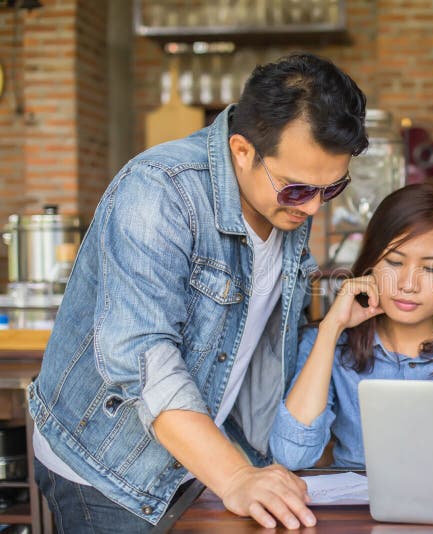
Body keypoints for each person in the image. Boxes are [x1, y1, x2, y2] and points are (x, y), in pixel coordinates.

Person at [28, 53, 368, 532]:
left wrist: (247, 461)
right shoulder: (158, 191)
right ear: (242, 150)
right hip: (110, 463)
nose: (312, 207)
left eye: (330, 190)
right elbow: (145, 357)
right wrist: (234, 476)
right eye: (297, 190)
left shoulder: (283, 204)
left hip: (202, 455)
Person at [269, 183, 433, 470]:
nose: (407, 284)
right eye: (394, 262)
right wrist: (331, 329)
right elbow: (291, 455)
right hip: (361, 511)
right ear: (371, 261)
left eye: (431, 269)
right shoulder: (331, 338)